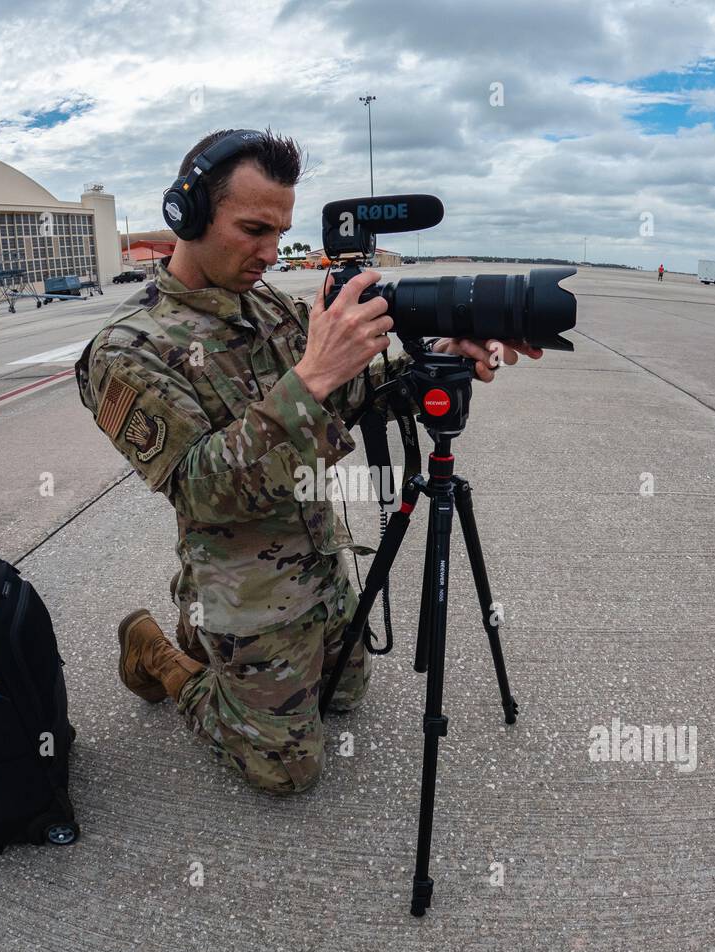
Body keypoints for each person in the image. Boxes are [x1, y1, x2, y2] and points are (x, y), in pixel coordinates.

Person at [76, 128, 542, 794]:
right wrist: (312, 375)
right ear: (190, 214)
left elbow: (347, 395)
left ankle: (202, 633)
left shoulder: (263, 304)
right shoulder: (127, 350)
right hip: (246, 585)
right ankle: (161, 648)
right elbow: (203, 488)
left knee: (347, 694)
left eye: (283, 230)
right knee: (288, 771)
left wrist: (433, 359)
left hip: (318, 557)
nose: (272, 252)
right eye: (253, 229)